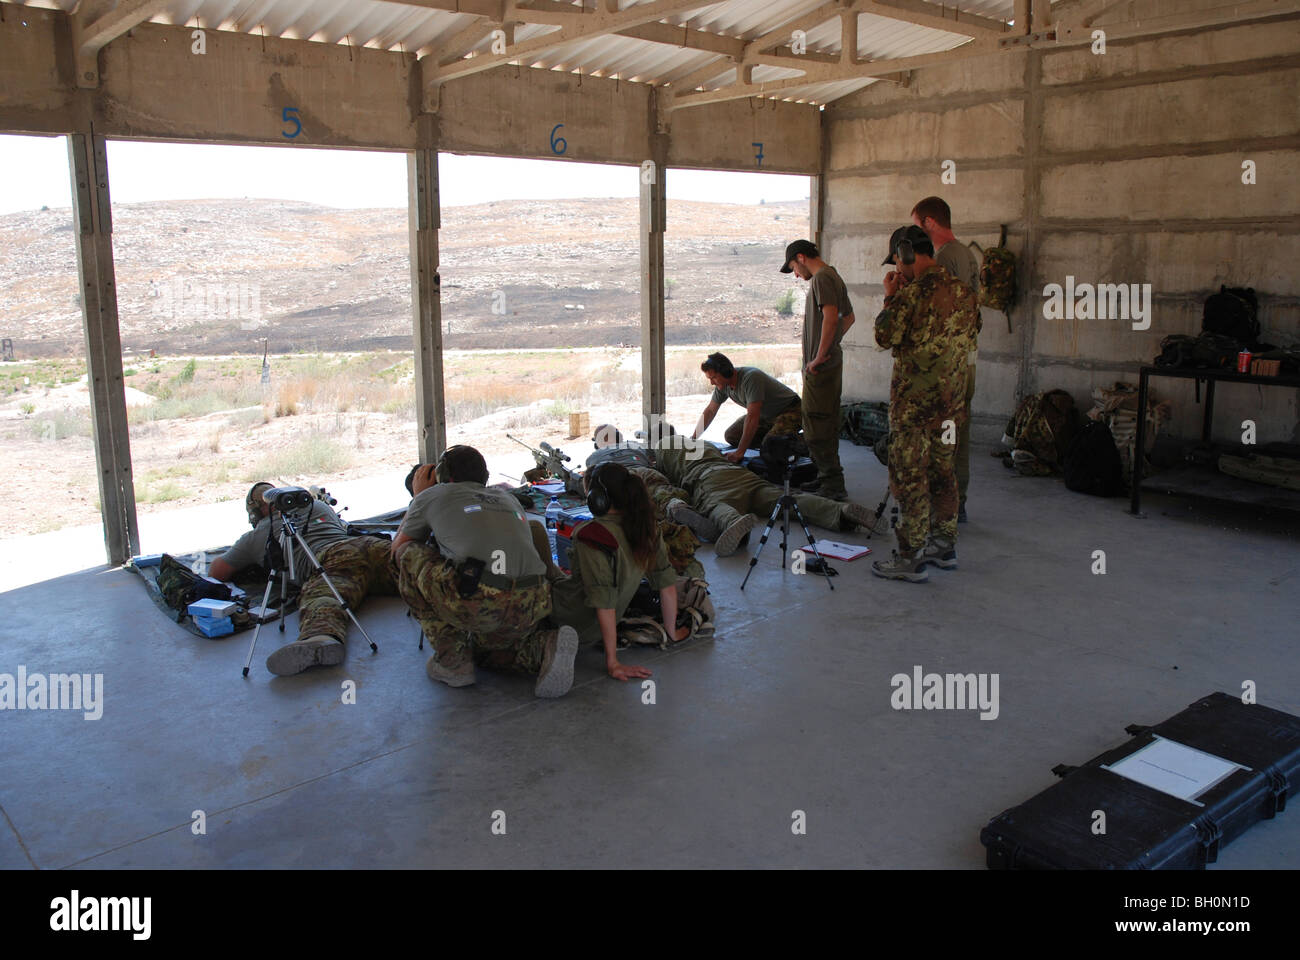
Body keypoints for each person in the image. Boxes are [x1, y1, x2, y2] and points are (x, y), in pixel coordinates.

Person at [390, 445, 579, 697]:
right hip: (534, 601)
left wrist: (419, 496)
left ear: (443, 475)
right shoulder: (507, 497)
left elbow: (396, 551)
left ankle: (452, 661)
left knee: (407, 555)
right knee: (484, 652)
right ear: (484, 476)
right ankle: (543, 647)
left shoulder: (432, 496)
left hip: (483, 600)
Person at [872, 225, 980, 582]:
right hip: (950, 407)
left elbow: (884, 336)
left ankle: (910, 556)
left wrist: (890, 296)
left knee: (910, 477)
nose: (897, 270)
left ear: (905, 254)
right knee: (943, 474)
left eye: (898, 262)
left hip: (915, 410)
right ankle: (943, 546)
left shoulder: (911, 294)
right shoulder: (964, 293)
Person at [208, 482, 398, 676]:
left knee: (323, 600)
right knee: (413, 567)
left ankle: (320, 638)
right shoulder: (320, 506)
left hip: (331, 563)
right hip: (365, 545)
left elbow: (217, 572)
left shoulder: (259, 534)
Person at [551, 463, 687, 683]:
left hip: (569, 621)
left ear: (598, 499)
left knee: (537, 536)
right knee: (555, 571)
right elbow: (666, 583)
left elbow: (603, 602)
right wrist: (671, 632)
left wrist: (613, 663)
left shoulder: (591, 535)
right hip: (596, 625)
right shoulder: (647, 528)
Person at [652, 428, 878, 556]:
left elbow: (668, 483)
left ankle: (734, 521)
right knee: (788, 500)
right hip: (741, 476)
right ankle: (841, 511)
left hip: (709, 479)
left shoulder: (661, 451)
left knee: (715, 505)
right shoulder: (700, 443)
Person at [912, 196, 980, 523]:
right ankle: (958, 503)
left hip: (947, 364)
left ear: (928, 223)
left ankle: (944, 507)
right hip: (967, 359)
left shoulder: (944, 258)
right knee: (958, 433)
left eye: (917, 226)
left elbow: (935, 314)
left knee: (940, 436)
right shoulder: (967, 255)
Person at [781, 239, 854, 501]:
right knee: (824, 422)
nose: (797, 276)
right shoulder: (832, 275)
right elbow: (850, 317)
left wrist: (819, 356)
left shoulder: (822, 278)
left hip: (820, 368)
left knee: (814, 424)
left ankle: (832, 485)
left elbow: (833, 317)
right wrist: (831, 346)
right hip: (826, 364)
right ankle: (827, 479)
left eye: (794, 268)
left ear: (801, 257)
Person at [691, 353, 803, 460]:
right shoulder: (723, 385)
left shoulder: (751, 377)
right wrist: (693, 439)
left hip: (791, 410)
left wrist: (740, 452)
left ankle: (800, 441)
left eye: (714, 377)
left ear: (726, 372)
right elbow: (710, 411)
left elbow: (752, 417)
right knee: (732, 435)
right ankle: (775, 438)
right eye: (709, 379)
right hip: (766, 415)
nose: (712, 383)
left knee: (770, 446)